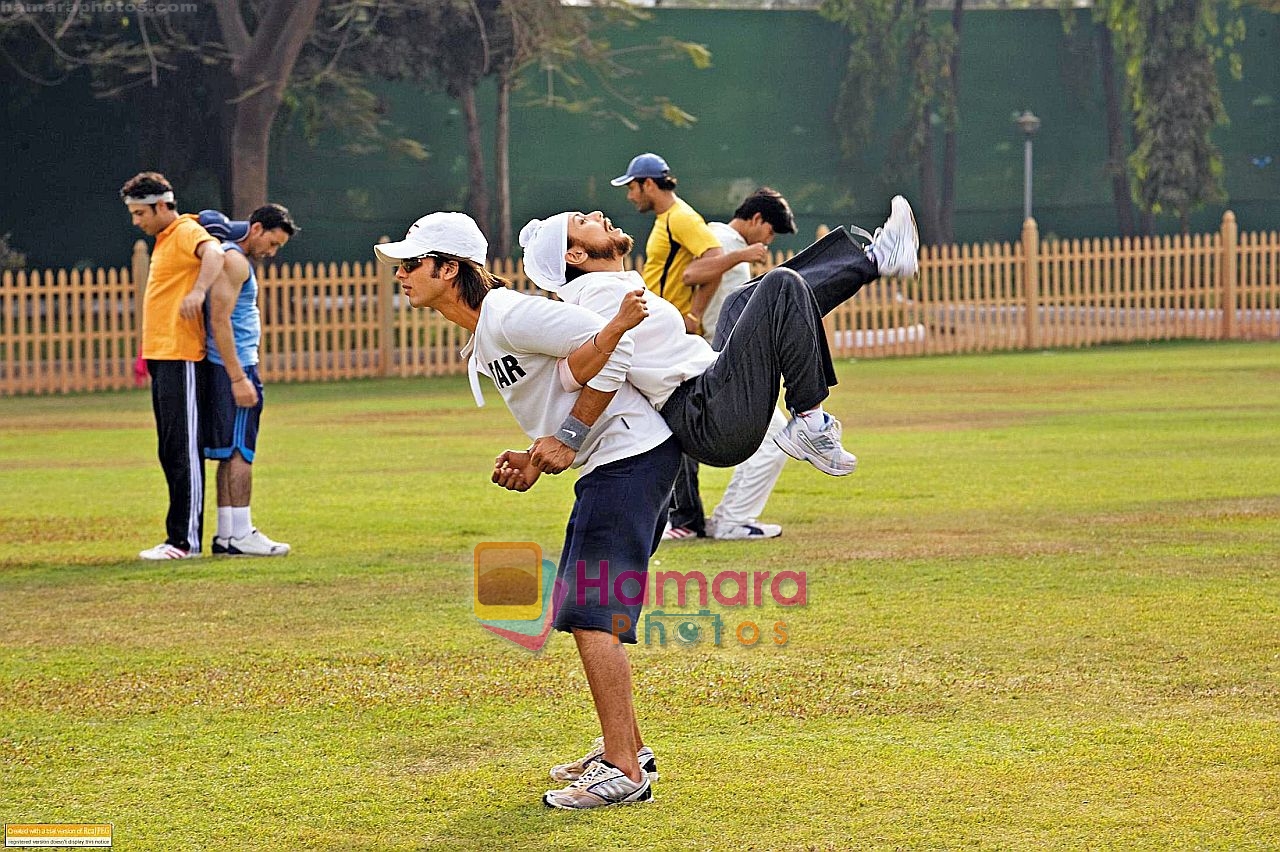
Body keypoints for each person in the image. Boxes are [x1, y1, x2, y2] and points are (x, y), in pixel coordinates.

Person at [373, 212, 679, 810]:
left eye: (412, 264)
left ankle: (624, 770)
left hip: (630, 456)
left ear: (449, 269)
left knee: (591, 615)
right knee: (586, 610)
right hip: (618, 461)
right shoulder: (487, 330)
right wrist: (539, 454)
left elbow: (616, 343)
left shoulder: (508, 313)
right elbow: (570, 377)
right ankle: (629, 750)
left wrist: (566, 438)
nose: (401, 275)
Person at [516, 195, 918, 486]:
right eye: (583, 221)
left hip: (709, 389)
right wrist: (567, 439)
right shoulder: (596, 296)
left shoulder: (607, 286)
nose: (597, 215)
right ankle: (811, 422)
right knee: (780, 285)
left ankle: (875, 259)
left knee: (741, 300)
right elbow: (589, 368)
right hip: (707, 416)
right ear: (575, 256)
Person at [612, 152, 777, 539]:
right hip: (657, 333)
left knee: (672, 424)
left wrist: (693, 314)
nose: (630, 195)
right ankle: (684, 517)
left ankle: (685, 519)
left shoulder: (681, 218)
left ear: (649, 184)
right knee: (665, 424)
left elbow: (711, 262)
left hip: (668, 338)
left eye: (632, 187)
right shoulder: (666, 220)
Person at [121, 171, 225, 560]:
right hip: (162, 356)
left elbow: (214, 253)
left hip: (182, 356)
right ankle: (176, 538)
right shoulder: (165, 240)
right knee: (169, 450)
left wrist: (198, 291)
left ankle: (185, 541)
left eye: (140, 213)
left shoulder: (184, 231)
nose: (137, 222)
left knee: (184, 450)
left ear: (163, 206)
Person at [197, 204, 298, 557]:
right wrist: (239, 377)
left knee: (229, 451)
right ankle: (242, 533)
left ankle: (226, 535)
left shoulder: (228, 258)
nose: (272, 252)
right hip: (236, 367)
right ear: (256, 230)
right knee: (242, 450)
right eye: (272, 243)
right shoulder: (236, 262)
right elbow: (219, 320)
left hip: (225, 366)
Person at [701, 188, 798, 541]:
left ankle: (726, 518)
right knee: (778, 437)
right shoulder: (725, 245)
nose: (768, 242)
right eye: (770, 232)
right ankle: (732, 520)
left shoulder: (714, 237)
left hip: (709, 356)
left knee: (769, 436)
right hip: (719, 359)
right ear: (756, 219)